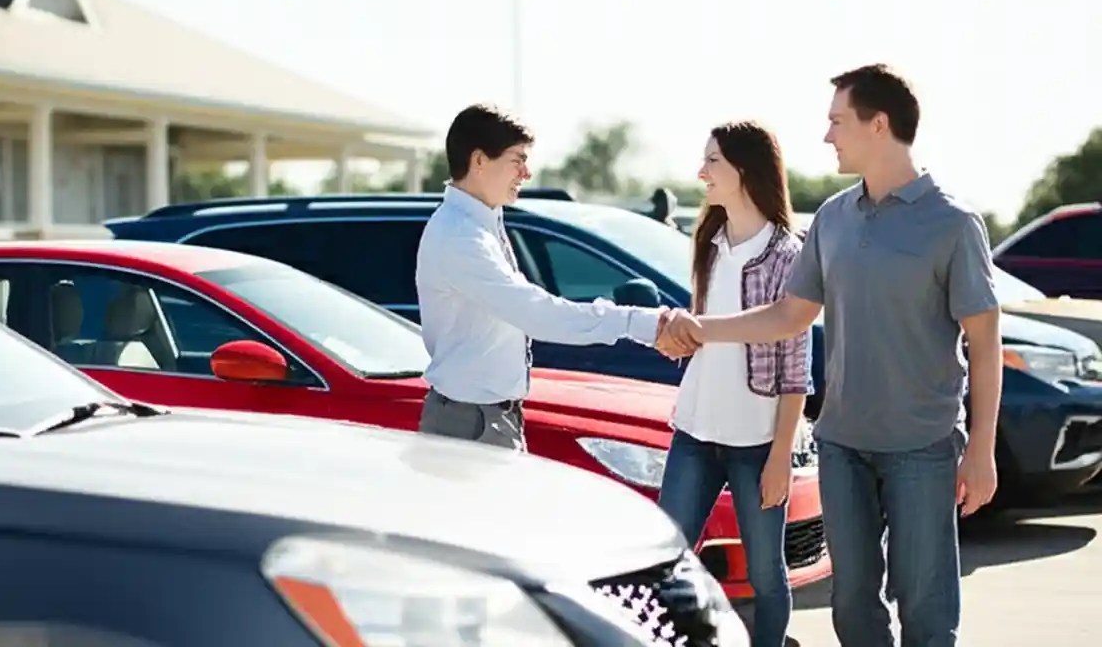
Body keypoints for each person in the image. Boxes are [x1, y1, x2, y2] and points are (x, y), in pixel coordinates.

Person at [660, 64, 1001, 647]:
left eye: (838, 121)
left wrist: (983, 451)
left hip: (922, 445)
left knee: (925, 607)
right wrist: (701, 330)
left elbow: (985, 342)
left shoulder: (952, 223)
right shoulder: (833, 219)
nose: (827, 136)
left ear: (879, 124)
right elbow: (790, 316)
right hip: (842, 443)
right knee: (851, 606)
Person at [415, 103, 670, 451]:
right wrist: (640, 322)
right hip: (471, 423)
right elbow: (538, 314)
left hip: (484, 418)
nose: (526, 173)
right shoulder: (461, 236)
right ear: (478, 161)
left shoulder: (479, 223)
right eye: (517, 159)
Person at [657, 121, 811, 647]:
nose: (702, 173)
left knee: (767, 575)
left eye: (713, 162)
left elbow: (796, 370)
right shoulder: (709, 243)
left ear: (745, 169)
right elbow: (705, 332)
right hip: (695, 432)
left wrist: (780, 457)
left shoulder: (788, 256)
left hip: (757, 443)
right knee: (663, 561)